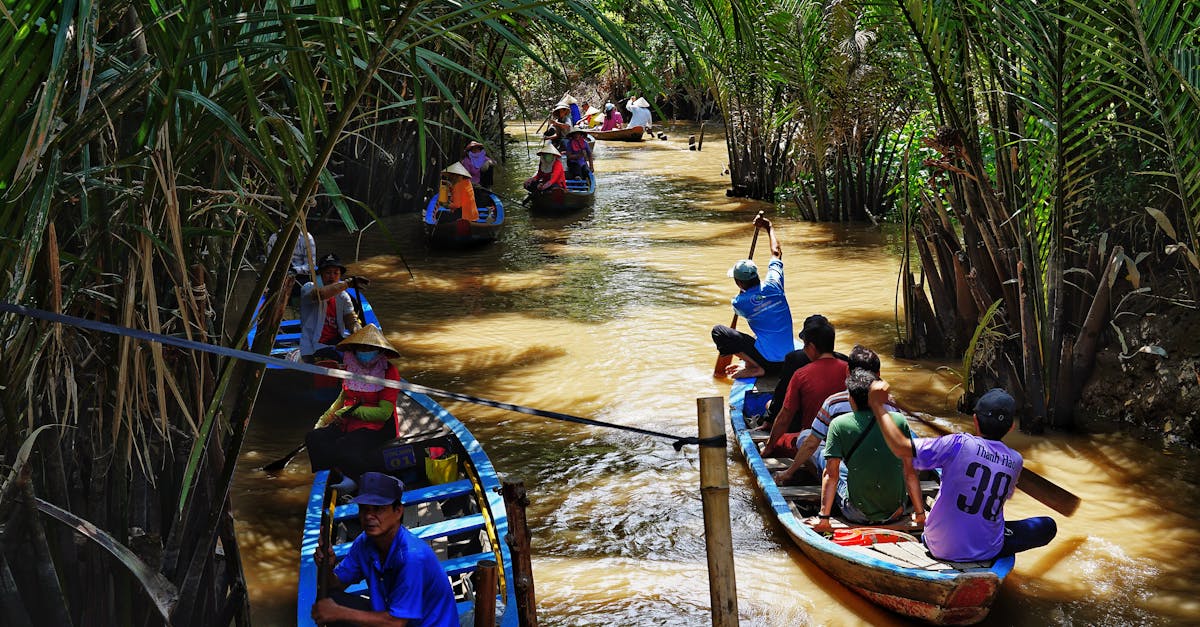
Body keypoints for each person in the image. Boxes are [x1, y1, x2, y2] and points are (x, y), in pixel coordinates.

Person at [868, 382, 1058, 562]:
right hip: (986, 549)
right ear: (1011, 427)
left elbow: (901, 448)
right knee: (1048, 526)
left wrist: (878, 406)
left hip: (939, 546)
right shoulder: (1016, 460)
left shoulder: (957, 443)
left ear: (975, 420)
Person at [312, 472, 458, 627]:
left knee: (337, 610)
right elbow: (336, 584)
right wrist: (326, 566)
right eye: (364, 509)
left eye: (378, 509)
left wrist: (339, 612)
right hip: (392, 614)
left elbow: (396, 623)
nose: (369, 516)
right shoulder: (364, 543)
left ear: (398, 511)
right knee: (332, 598)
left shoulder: (412, 557)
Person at [812, 369, 926, 529]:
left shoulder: (838, 424)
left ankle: (826, 512)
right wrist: (920, 515)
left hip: (856, 513)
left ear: (851, 398)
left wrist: (824, 518)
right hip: (896, 511)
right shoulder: (899, 420)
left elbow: (831, 476)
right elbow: (910, 472)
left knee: (825, 456)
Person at [774, 345, 900, 483]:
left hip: (847, 467)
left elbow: (811, 444)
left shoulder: (835, 402)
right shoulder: (890, 402)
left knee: (805, 437)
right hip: (880, 465)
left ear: (847, 371)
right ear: (879, 374)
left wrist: (789, 472)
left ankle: (821, 479)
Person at [306, 324, 401, 485]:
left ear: (378, 351)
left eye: (369, 348)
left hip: (378, 426)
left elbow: (384, 413)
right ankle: (334, 474)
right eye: (361, 348)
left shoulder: (388, 371)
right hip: (348, 421)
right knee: (314, 437)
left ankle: (357, 479)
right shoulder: (352, 367)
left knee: (344, 446)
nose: (364, 352)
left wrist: (352, 411)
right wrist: (324, 420)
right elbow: (343, 396)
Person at [711, 214, 793, 379]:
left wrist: (743, 295)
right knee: (763, 330)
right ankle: (751, 363)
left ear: (739, 283)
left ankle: (755, 367)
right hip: (788, 361)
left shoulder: (739, 302)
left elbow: (744, 318)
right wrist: (768, 226)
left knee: (719, 331)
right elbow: (776, 253)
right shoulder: (775, 283)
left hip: (768, 364)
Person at [761, 318, 849, 457]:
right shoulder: (849, 368)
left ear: (812, 348)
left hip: (813, 440)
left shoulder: (801, 374)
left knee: (779, 442)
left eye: (805, 346)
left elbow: (785, 416)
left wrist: (770, 446)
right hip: (846, 437)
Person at [300, 253, 364, 363]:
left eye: (336, 273)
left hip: (335, 343)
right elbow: (321, 295)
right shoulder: (309, 288)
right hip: (313, 347)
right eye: (328, 273)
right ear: (320, 274)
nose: (332, 276)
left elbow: (351, 320)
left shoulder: (343, 296)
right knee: (343, 359)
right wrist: (347, 284)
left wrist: (361, 336)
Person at [436, 162, 479, 235]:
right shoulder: (467, 182)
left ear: (458, 176)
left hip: (463, 216)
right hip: (473, 215)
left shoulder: (458, 186)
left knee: (439, 215)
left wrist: (445, 204)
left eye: (453, 176)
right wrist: (451, 187)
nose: (451, 178)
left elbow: (456, 205)